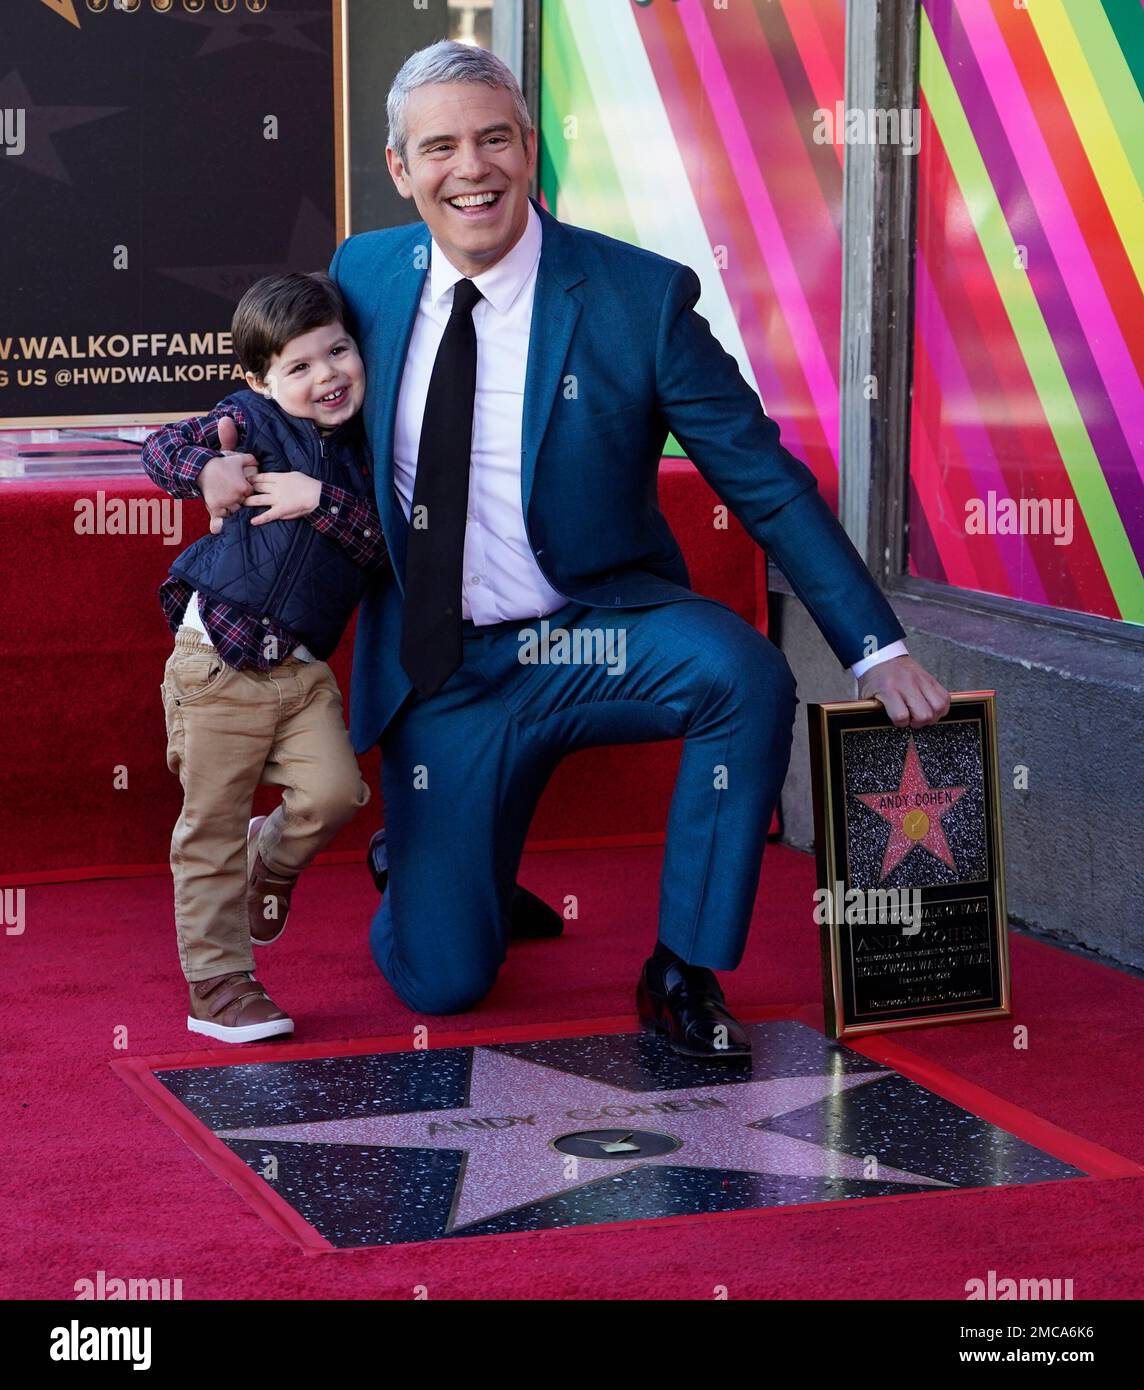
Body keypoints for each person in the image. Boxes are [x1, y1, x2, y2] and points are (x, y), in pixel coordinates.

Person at [141, 271, 389, 1044]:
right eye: (299, 367)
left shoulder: (370, 451)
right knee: (210, 826)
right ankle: (219, 987)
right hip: (216, 664)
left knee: (337, 793)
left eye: (337, 352)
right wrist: (207, 471)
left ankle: (271, 862)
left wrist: (320, 498)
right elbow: (164, 449)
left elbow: (384, 546)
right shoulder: (243, 421)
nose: (326, 377)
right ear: (258, 379)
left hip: (302, 671)